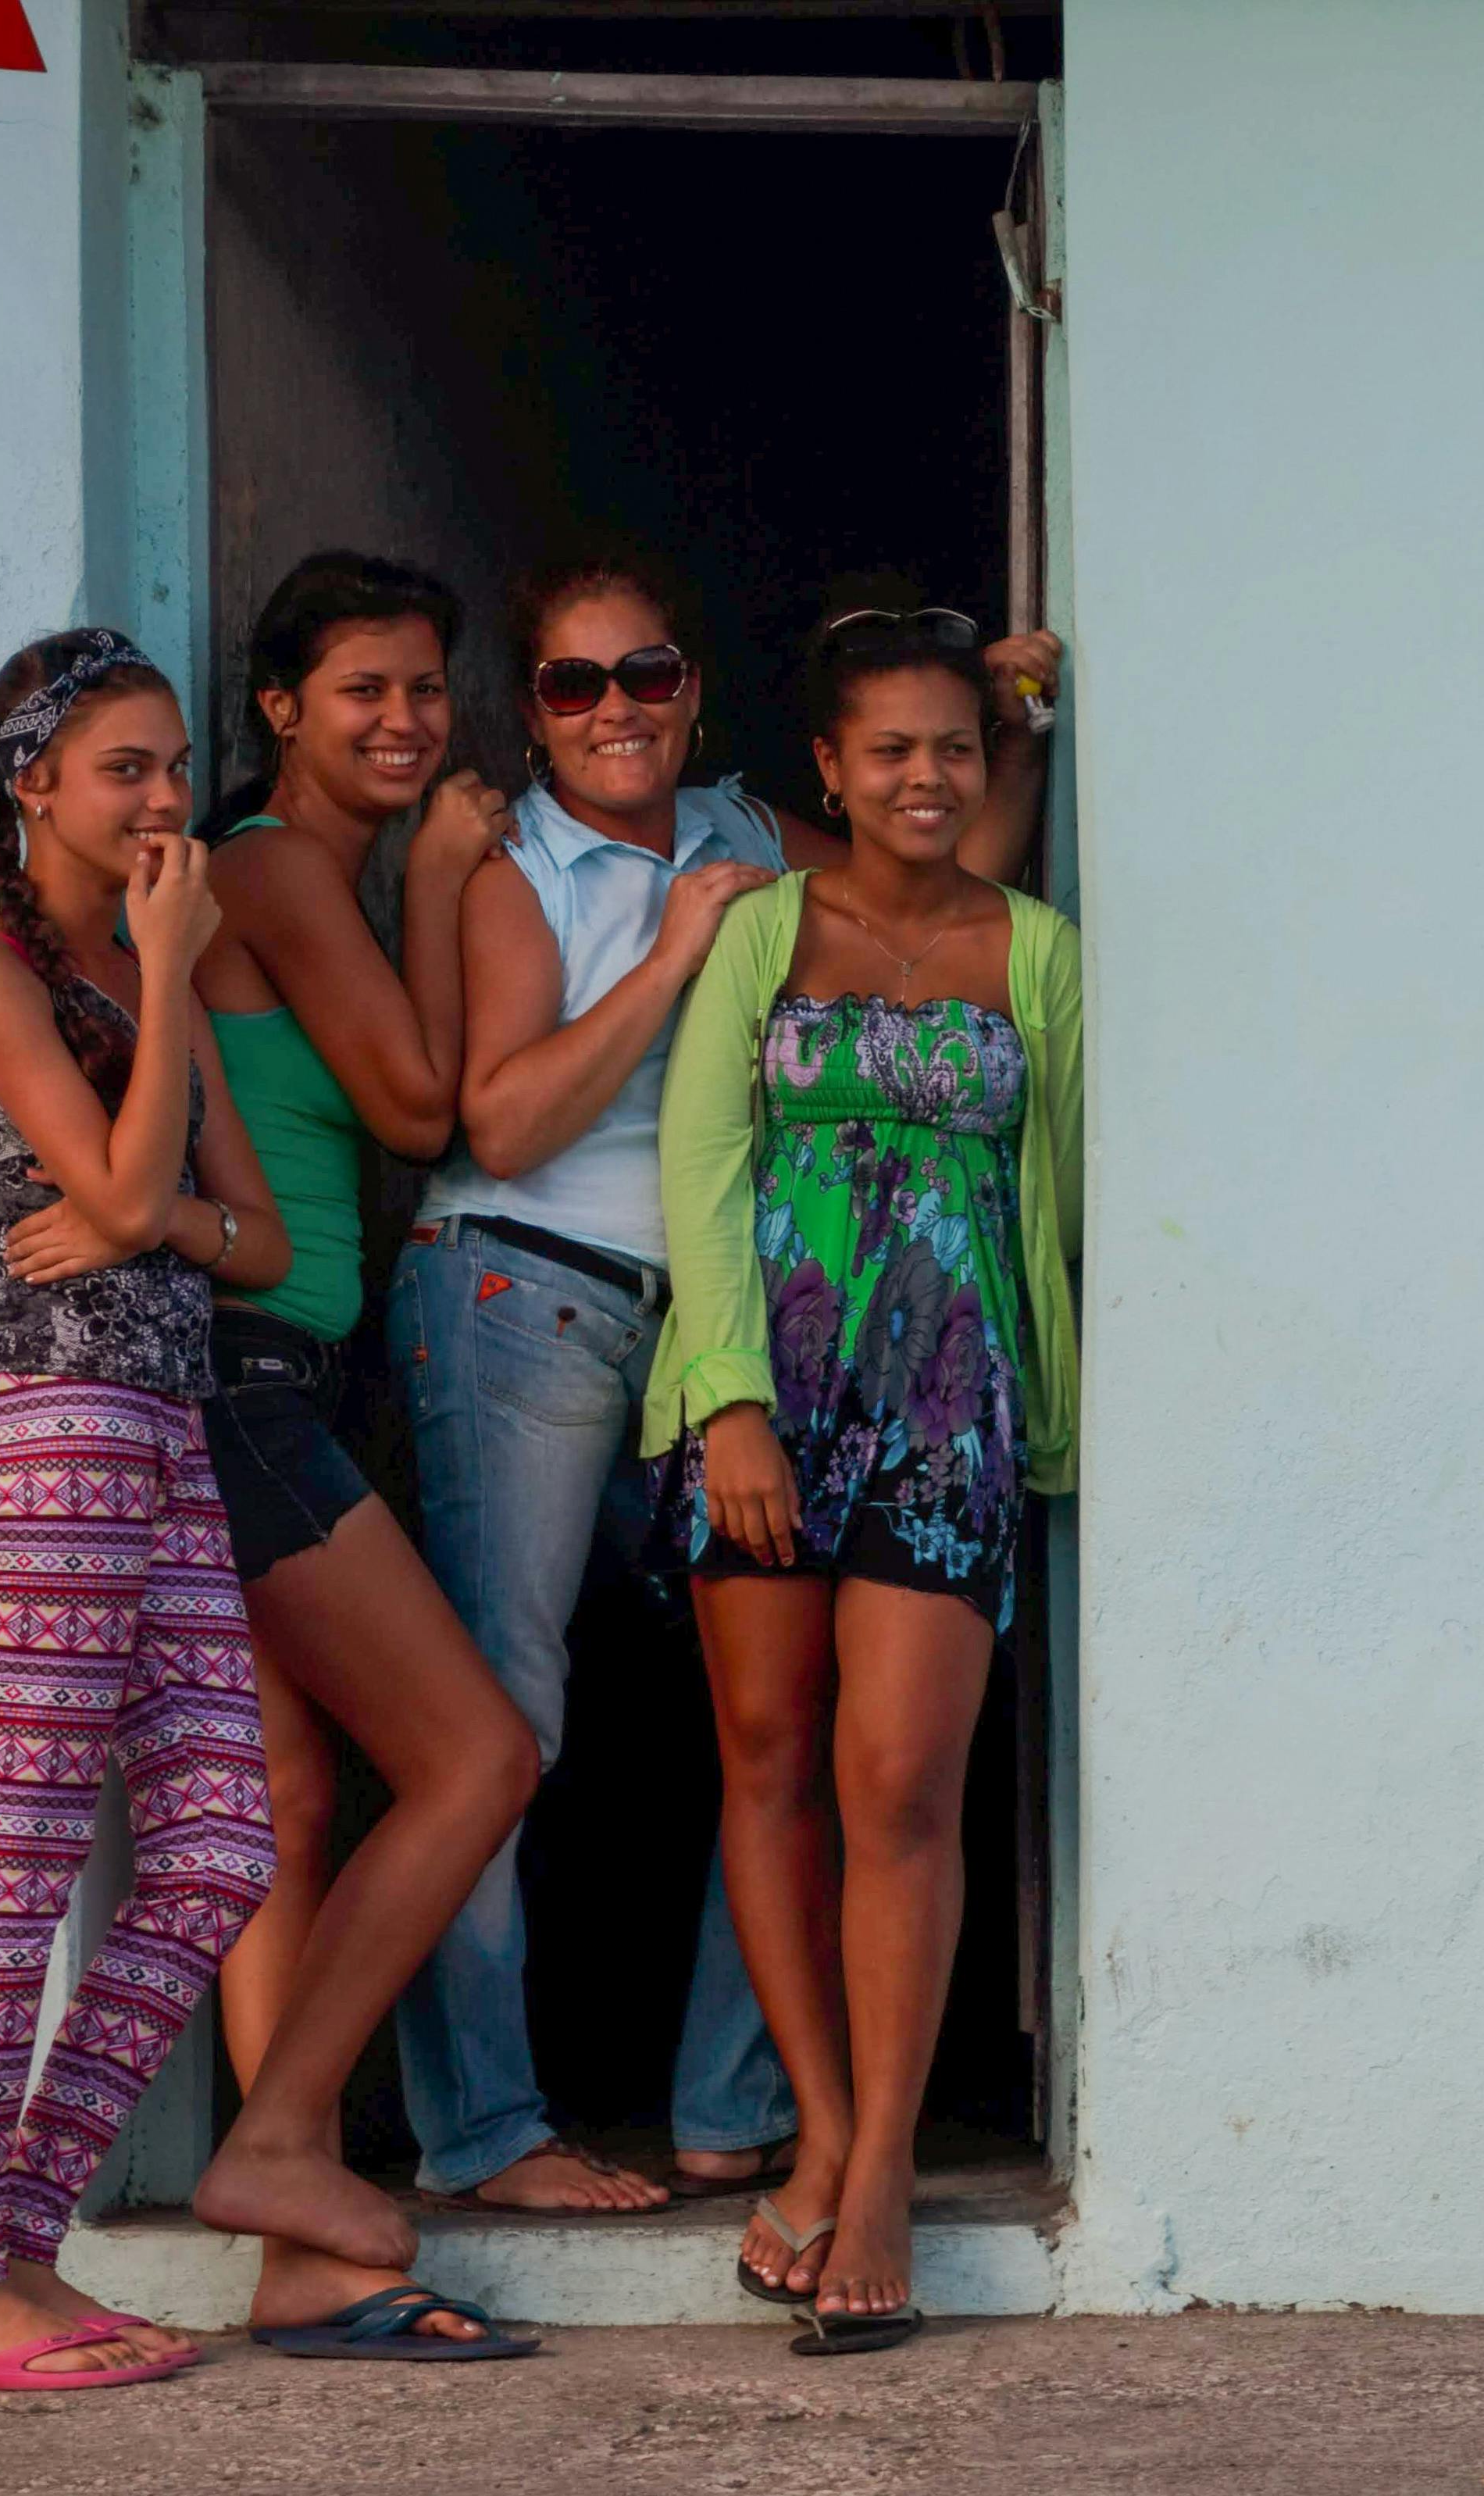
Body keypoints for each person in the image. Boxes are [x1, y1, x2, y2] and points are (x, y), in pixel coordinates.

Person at [390, 555, 1051, 2218]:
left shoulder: (755, 840)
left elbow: (933, 886)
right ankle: (486, 2127)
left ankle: (744, 2116)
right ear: (531, 716)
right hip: (530, 1296)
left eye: (646, 674)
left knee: (809, 1735)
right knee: (509, 1719)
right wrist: (679, 959)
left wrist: (1018, 723)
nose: (616, 708)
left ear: (695, 692)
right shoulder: (515, 865)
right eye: (573, 685)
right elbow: (511, 1123)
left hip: (731, 1326)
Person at [645, 602, 1081, 2352]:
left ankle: (882, 2161)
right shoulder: (766, 931)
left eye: (954, 751)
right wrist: (729, 1400)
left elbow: (1055, 1191)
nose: (923, 777)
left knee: (899, 1778)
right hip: (767, 1399)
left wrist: (1046, 1409)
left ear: (989, 770)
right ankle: (817, 2124)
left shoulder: (1036, 951)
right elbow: (701, 1155)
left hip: (945, 1405)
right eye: (889, 749)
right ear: (827, 767)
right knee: (769, 1767)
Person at [0, 630, 291, 2394]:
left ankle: (16, 2253)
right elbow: (129, 1182)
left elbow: (247, 1238)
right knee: (23, 1860)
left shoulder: (144, 972)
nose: (159, 800)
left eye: (174, 766)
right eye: (122, 768)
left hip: (164, 1422)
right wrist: (154, 1180)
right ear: (30, 783)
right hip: (53, 1422)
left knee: (218, 1848)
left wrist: (161, 1200)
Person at [189, 551, 551, 2357]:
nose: (406, 721)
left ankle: (299, 2258)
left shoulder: (301, 868)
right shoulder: (273, 866)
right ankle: (271, 2150)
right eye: (364, 694)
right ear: (281, 712)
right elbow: (417, 1108)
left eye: (426, 690)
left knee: (291, 1812)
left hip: (290, 1375)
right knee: (477, 1755)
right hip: (242, 1384)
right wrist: (448, 880)